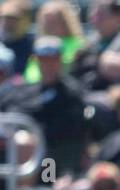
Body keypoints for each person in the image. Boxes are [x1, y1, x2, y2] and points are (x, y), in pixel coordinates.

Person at [0, 33, 87, 176]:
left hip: (50, 160)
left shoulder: (71, 93)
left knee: (25, 144)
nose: (48, 65)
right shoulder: (19, 91)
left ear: (60, 59)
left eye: (52, 59)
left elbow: (72, 135)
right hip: (6, 151)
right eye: (43, 59)